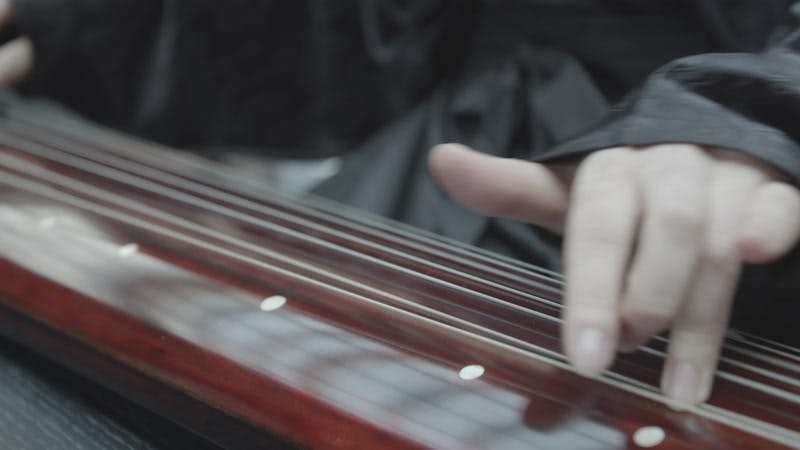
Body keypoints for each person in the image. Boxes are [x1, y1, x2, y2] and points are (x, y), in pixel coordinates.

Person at [0, 0, 798, 409]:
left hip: (718, 226)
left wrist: (752, 116)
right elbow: (381, 34)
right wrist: (75, 28)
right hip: (462, 170)